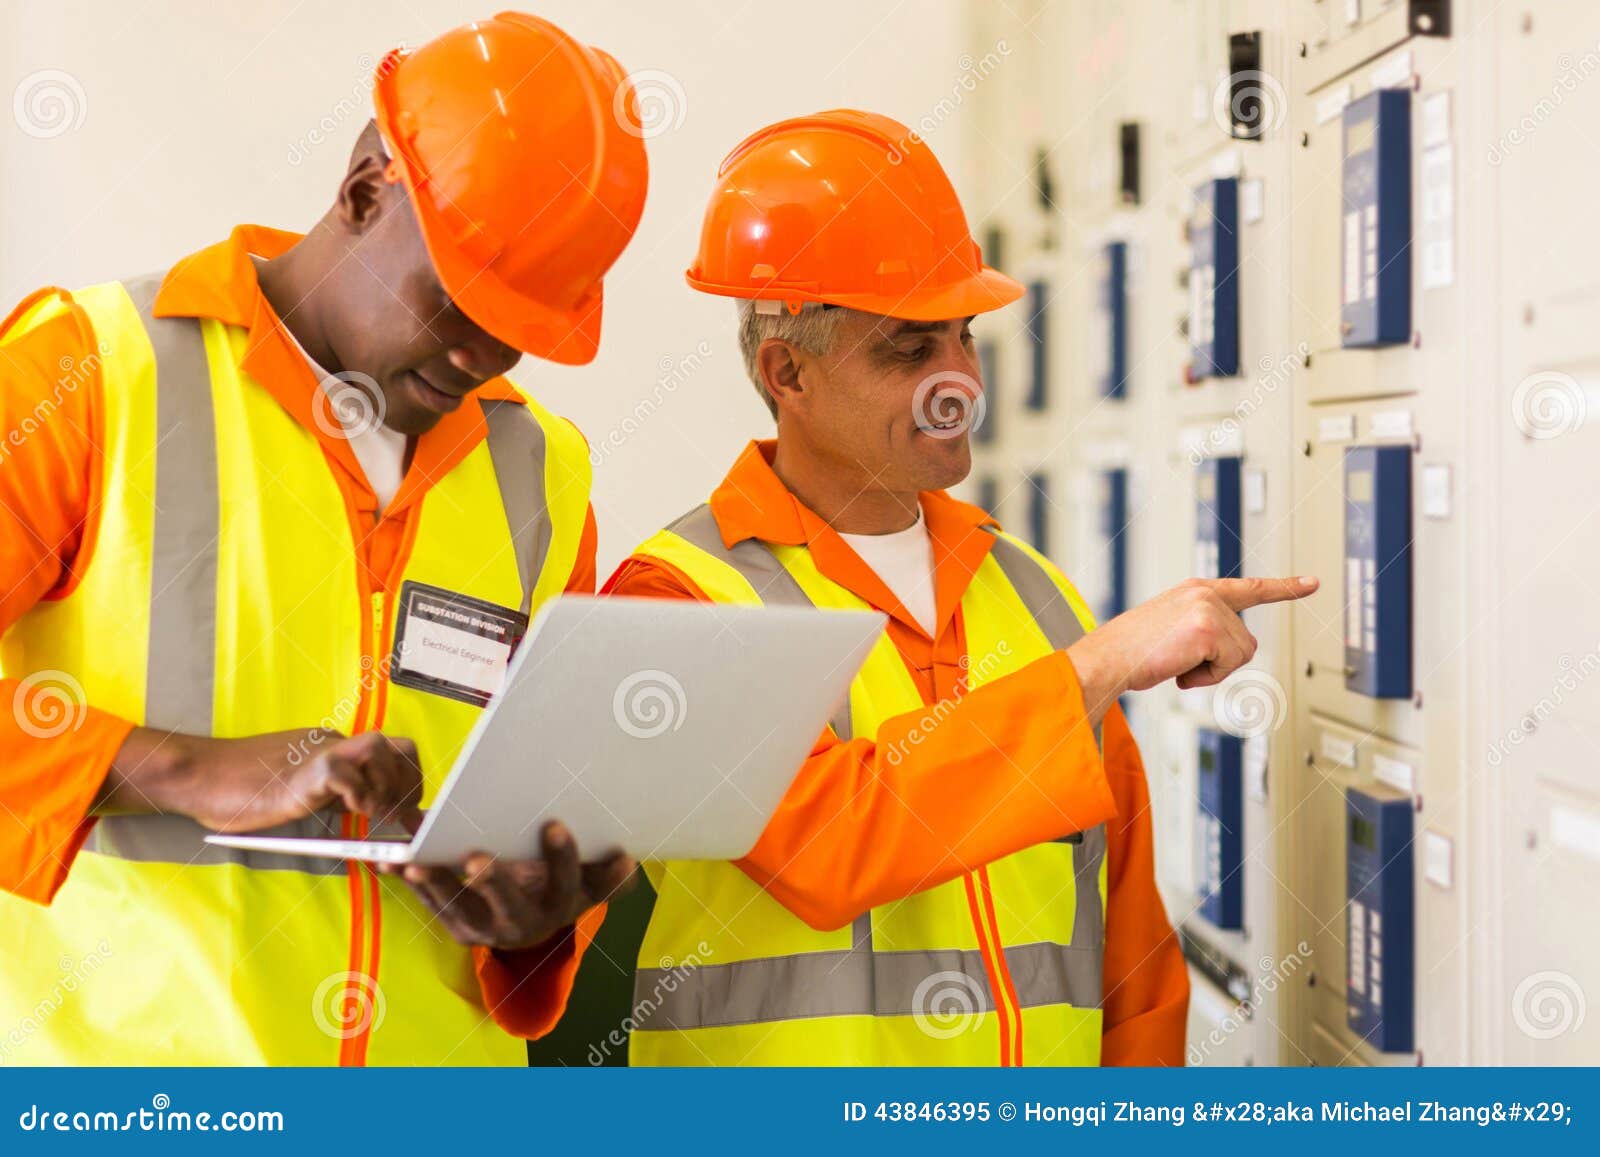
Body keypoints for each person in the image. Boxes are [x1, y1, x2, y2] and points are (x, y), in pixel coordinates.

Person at [604, 109, 1320, 1065]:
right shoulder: (675, 600)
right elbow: (826, 845)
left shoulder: (1032, 593)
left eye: (964, 337)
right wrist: (1096, 667)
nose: (960, 383)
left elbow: (1134, 964)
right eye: (909, 348)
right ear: (788, 372)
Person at [0, 12, 648, 1065]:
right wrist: (182, 767)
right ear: (363, 190)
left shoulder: (544, 474)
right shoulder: (88, 376)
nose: (483, 351)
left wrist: (540, 917)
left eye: (521, 325)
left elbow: (546, 814)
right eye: (461, 298)